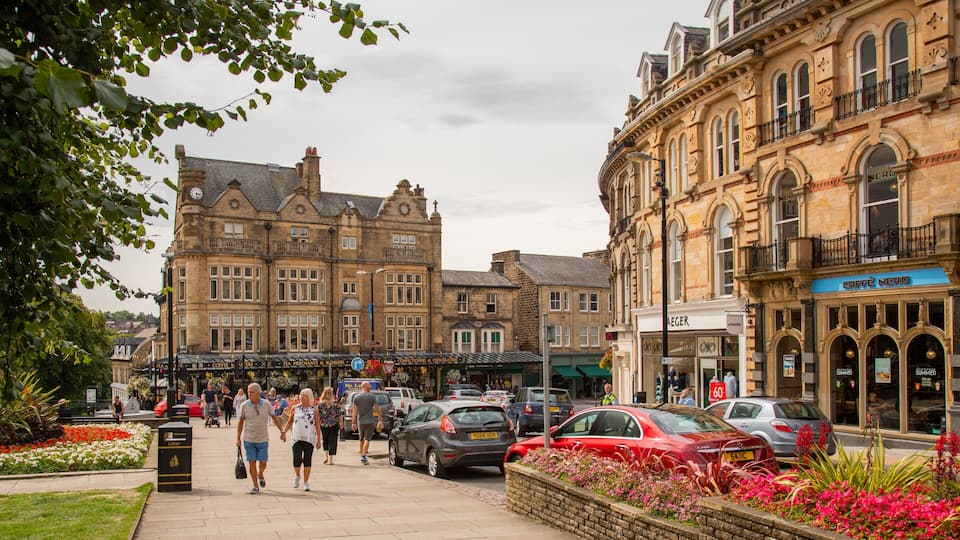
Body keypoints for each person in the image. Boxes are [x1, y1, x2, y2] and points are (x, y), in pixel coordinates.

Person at [236, 383, 286, 494]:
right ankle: (255, 486)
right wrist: (238, 438)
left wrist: (282, 431)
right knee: (252, 462)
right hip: (249, 439)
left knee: (263, 462)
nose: (249, 394)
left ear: (258, 393)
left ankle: (260, 473)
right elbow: (240, 423)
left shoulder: (266, 404)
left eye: (251, 392)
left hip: (263, 439)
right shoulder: (244, 405)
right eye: (248, 391)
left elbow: (274, 417)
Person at [282, 388, 321, 491]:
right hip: (297, 437)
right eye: (300, 395)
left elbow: (317, 426)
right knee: (297, 459)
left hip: (309, 438)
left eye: (303, 395)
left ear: (309, 397)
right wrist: (284, 432)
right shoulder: (295, 408)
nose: (301, 397)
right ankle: (297, 475)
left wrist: (319, 440)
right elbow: (289, 422)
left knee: (307, 460)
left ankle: (306, 482)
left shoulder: (314, 410)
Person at [351, 381, 382, 465]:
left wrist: (353, 422)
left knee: (361, 439)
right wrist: (380, 417)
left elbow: (355, 411)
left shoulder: (357, 397)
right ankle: (363, 456)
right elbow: (377, 408)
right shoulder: (372, 397)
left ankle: (362, 454)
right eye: (369, 386)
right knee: (367, 439)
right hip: (370, 421)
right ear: (365, 387)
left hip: (360, 421)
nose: (370, 387)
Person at [316, 386, 341, 465]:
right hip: (333, 424)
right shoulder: (335, 403)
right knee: (332, 441)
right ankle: (330, 459)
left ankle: (326, 457)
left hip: (323, 425)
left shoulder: (320, 404)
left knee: (325, 440)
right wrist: (341, 423)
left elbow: (317, 415)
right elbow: (339, 414)